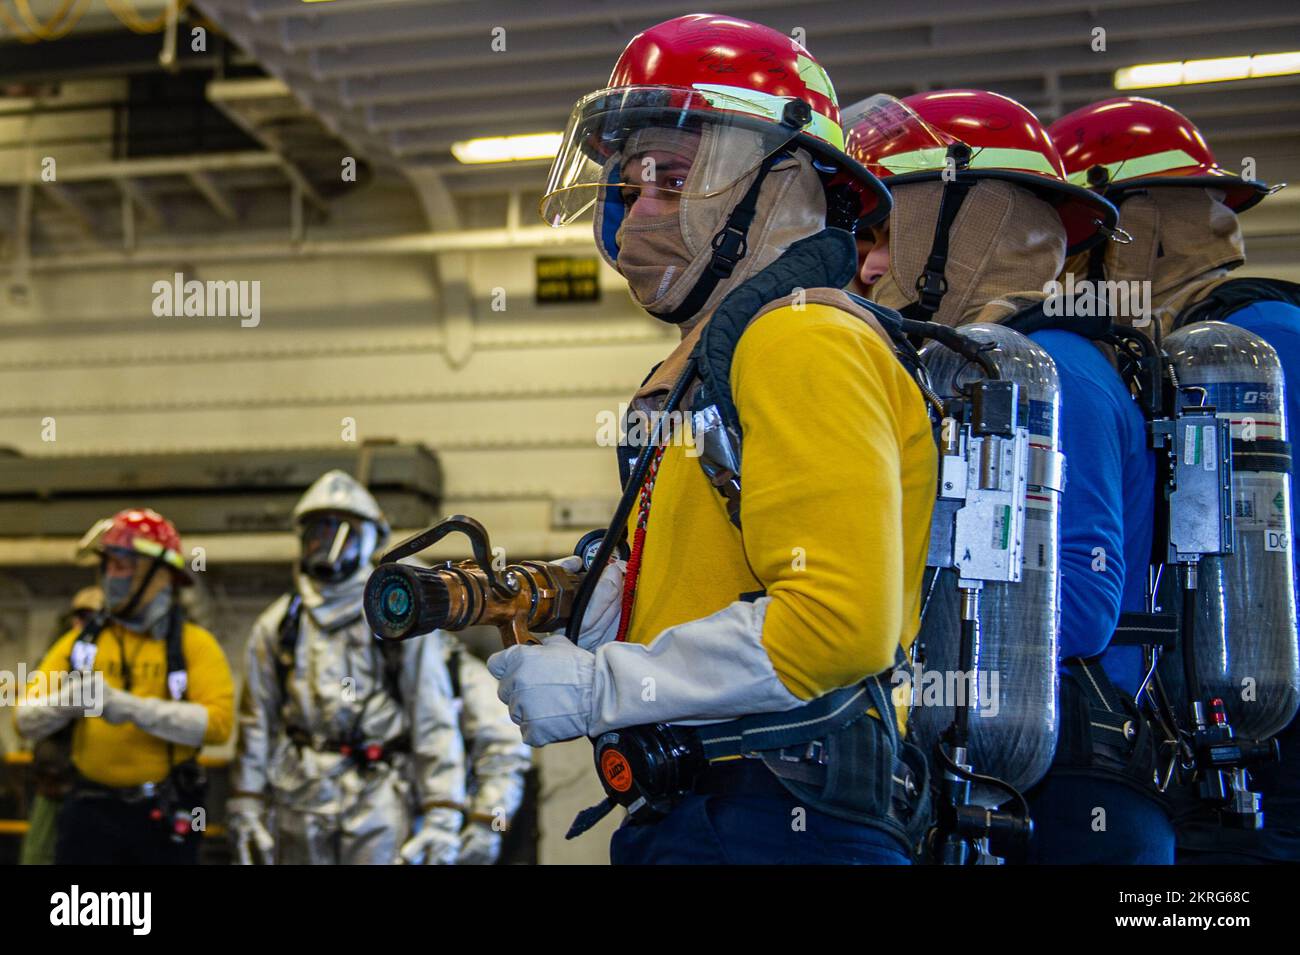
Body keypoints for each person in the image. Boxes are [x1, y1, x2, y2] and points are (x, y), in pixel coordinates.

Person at [489, 13, 936, 865]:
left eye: (672, 178)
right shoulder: (717, 360)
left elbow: (837, 622)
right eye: (629, 184)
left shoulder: (799, 339)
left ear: (776, 184)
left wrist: (601, 686)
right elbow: (711, 576)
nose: (639, 213)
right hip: (715, 807)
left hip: (777, 818)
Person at [847, 89, 1179, 863]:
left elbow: (1088, 604)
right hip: (999, 769)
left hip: (1074, 789)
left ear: (961, 231)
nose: (867, 263)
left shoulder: (1057, 370)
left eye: (889, 233)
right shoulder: (971, 370)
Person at [1050, 96, 1300, 863]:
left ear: (1138, 228)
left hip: (1267, 732)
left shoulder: (1245, 349)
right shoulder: (1260, 331)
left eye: (1075, 237)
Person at [228, 469, 528, 865]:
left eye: (341, 534)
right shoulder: (280, 624)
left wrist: (444, 814)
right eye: (316, 533)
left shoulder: (397, 618)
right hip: (297, 801)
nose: (326, 547)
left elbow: (431, 715)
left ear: (371, 539)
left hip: (378, 803)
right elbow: (256, 723)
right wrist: (246, 806)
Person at [16, 508, 234, 865]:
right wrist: (67, 703)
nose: (110, 578)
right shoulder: (79, 643)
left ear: (159, 575)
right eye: (108, 567)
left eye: (123, 566)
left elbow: (218, 724)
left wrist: (129, 708)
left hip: (163, 812)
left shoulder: (195, 645)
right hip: (89, 810)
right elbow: (24, 720)